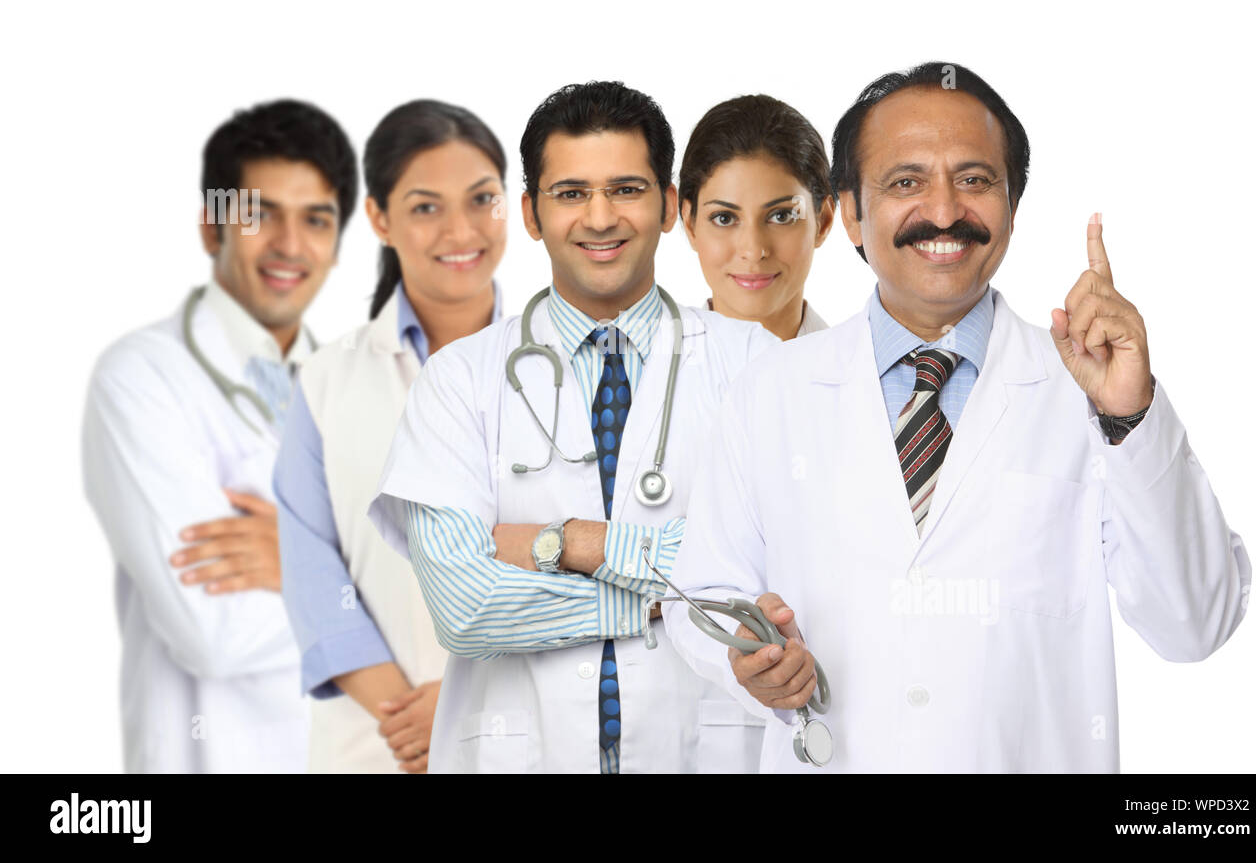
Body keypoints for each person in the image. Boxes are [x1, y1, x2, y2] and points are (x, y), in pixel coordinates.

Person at [664, 62, 1252, 773]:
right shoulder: (770, 393)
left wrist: (1131, 413)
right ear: (848, 210)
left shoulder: (1086, 392)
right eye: (905, 181)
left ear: (1011, 203)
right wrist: (746, 663)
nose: (943, 210)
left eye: (975, 179)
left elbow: (1195, 623)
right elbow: (702, 597)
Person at [367, 80, 778, 773]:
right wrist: (654, 602)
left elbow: (775, 567)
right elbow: (464, 606)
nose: (599, 217)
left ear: (670, 206)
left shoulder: (755, 363)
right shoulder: (461, 377)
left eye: (626, 189)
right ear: (530, 213)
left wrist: (571, 543)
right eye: (569, 194)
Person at [82, 100, 358, 773]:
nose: (291, 245)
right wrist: (362, 572)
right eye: (260, 214)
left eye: (316, 219)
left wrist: (301, 561)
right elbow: (213, 632)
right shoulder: (143, 378)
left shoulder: (353, 389)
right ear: (213, 227)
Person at [274, 100, 506, 773]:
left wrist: (463, 704)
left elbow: (586, 567)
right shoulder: (326, 380)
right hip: (377, 745)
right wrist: (410, 719)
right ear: (379, 218)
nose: (461, 229)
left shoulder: (567, 365)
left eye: (481, 199)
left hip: (525, 728)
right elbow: (315, 577)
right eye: (426, 206)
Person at [679, 94, 835, 340]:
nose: (753, 251)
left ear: (823, 221)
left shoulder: (871, 372)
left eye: (782, 216)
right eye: (724, 218)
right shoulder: (640, 372)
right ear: (690, 225)